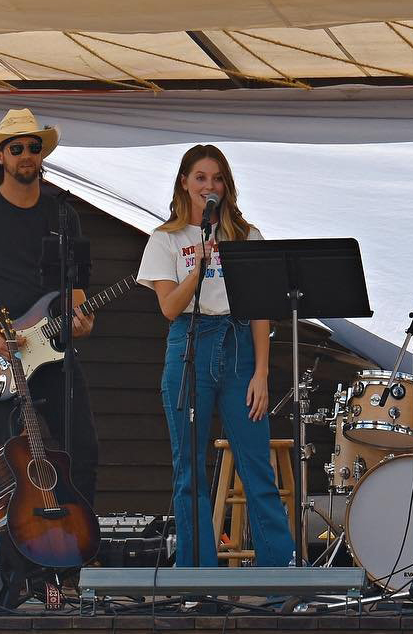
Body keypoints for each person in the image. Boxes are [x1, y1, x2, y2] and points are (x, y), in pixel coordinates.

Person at [138, 144, 294, 567]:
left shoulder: (246, 235)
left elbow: (261, 309)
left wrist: (261, 372)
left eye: (218, 178)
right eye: (201, 177)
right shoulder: (165, 238)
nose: (210, 186)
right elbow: (169, 307)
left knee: (256, 465)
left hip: (239, 342)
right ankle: (196, 578)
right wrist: (198, 266)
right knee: (189, 469)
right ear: (184, 183)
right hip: (190, 342)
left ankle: (278, 578)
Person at [0, 108, 99, 515]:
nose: (27, 155)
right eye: (17, 148)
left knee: (82, 450)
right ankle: (20, 546)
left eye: (34, 147)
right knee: (14, 460)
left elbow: (74, 289)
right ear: (0, 156)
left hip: (57, 353)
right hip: (5, 355)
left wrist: (83, 322)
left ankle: (75, 541)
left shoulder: (63, 216)